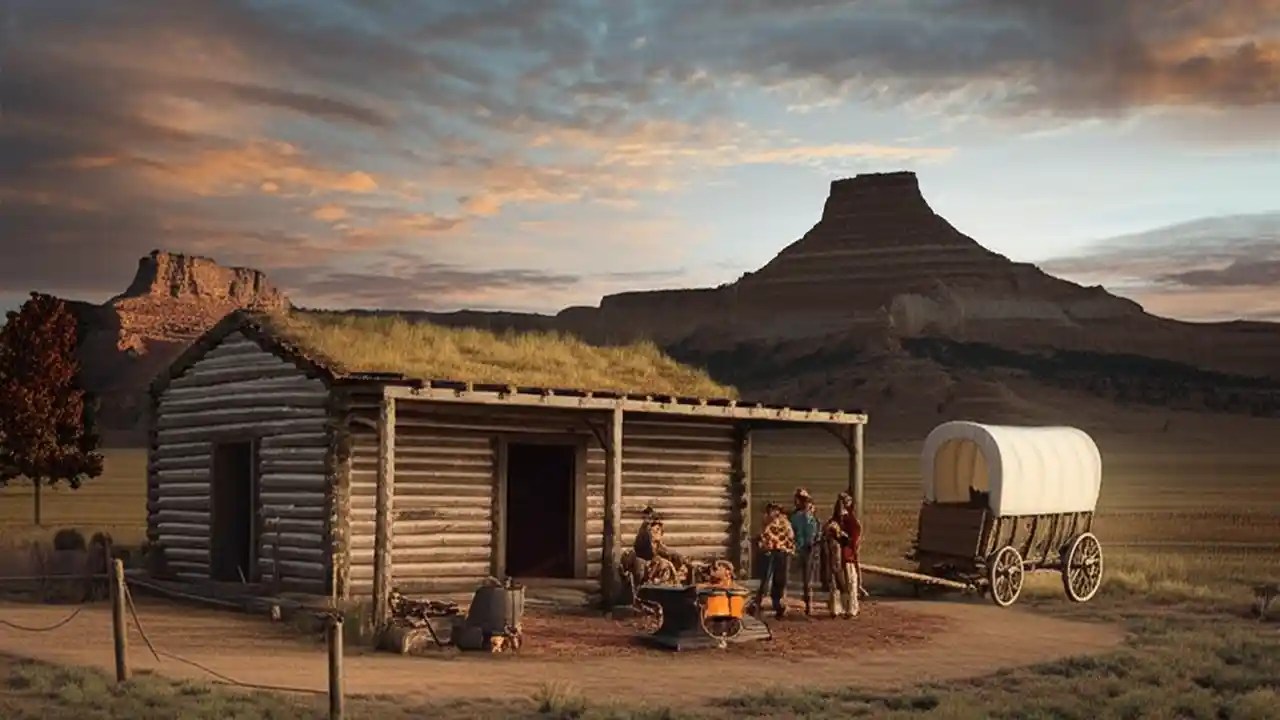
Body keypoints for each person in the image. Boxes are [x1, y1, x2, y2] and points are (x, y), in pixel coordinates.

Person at [752, 502, 796, 619]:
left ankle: (779, 606)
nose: (772, 512)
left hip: (781, 554)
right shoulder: (766, 522)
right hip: (767, 553)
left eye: (775, 510)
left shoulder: (784, 523)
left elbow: (789, 537)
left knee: (779, 581)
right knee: (763, 579)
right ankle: (757, 603)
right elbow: (762, 536)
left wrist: (781, 546)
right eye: (771, 510)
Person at [823, 492, 863, 618]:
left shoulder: (852, 522)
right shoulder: (833, 520)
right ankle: (836, 607)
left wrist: (842, 535)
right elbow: (825, 534)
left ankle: (852, 607)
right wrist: (830, 532)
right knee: (834, 581)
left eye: (845, 503)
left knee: (851, 580)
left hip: (847, 555)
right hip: (835, 555)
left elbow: (854, 539)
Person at [789, 488, 821, 615]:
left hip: (809, 549)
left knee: (808, 579)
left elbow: (817, 532)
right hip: (798, 549)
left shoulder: (810, 517)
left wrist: (815, 544)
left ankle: (809, 604)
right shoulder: (795, 517)